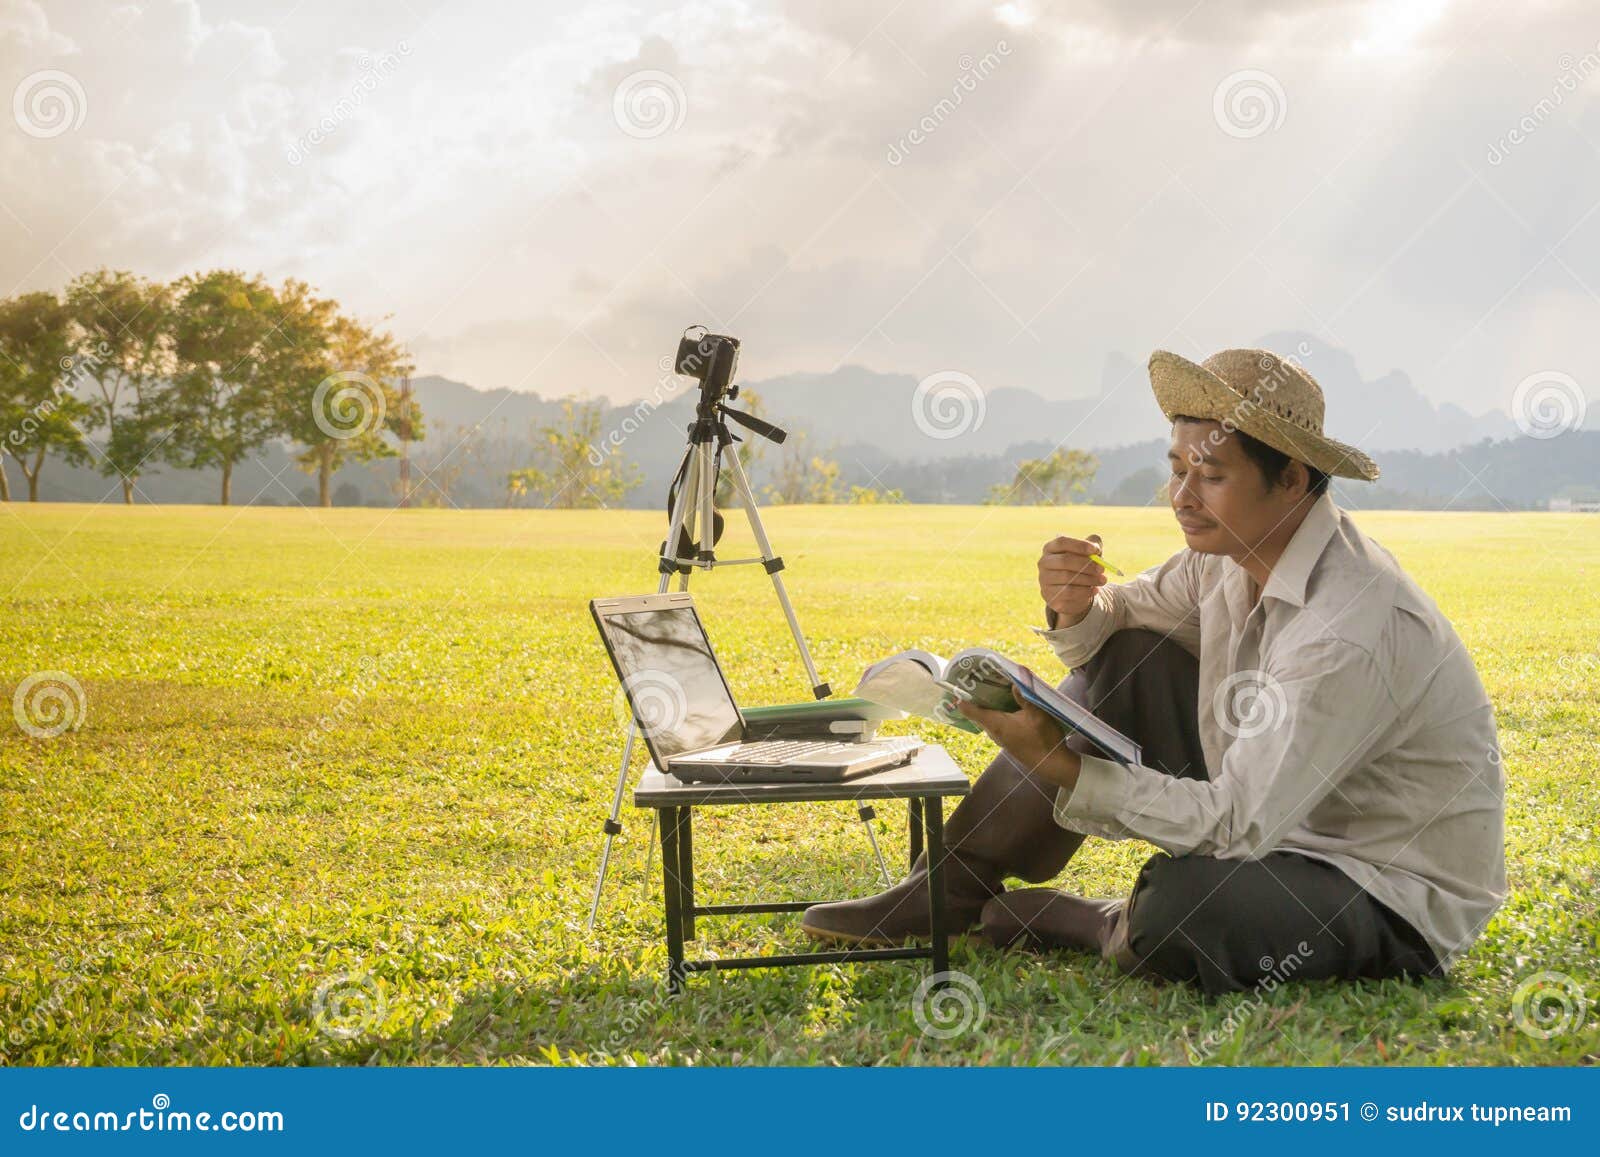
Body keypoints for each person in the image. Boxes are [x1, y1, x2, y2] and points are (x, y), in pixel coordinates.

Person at [801, 347, 1506, 995]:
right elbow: (1113, 625)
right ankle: (946, 889)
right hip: (1276, 816)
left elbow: (1237, 825)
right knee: (1136, 651)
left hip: (1378, 882)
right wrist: (1077, 600)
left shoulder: (1347, 622)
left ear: (1291, 478)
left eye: (1212, 475)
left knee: (1187, 902)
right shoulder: (1224, 555)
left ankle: (1105, 922)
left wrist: (1059, 760)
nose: (1182, 496)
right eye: (1177, 469)